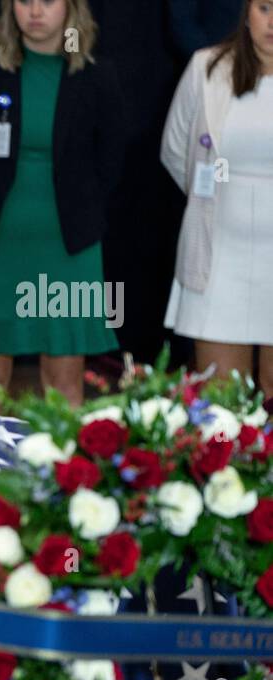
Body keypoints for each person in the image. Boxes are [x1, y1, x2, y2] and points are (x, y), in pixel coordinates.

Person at [0, 0, 127, 415]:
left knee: (63, 380)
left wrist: (82, 209)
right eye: (25, 1)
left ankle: (63, 478)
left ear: (72, 9)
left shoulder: (97, 75)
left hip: (69, 246)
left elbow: (112, 161)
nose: (35, 11)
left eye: (47, 1)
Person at [162, 0, 273, 397]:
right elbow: (176, 151)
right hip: (219, 259)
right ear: (246, 13)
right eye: (264, 8)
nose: (272, 22)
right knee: (222, 403)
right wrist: (214, 197)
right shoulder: (207, 68)